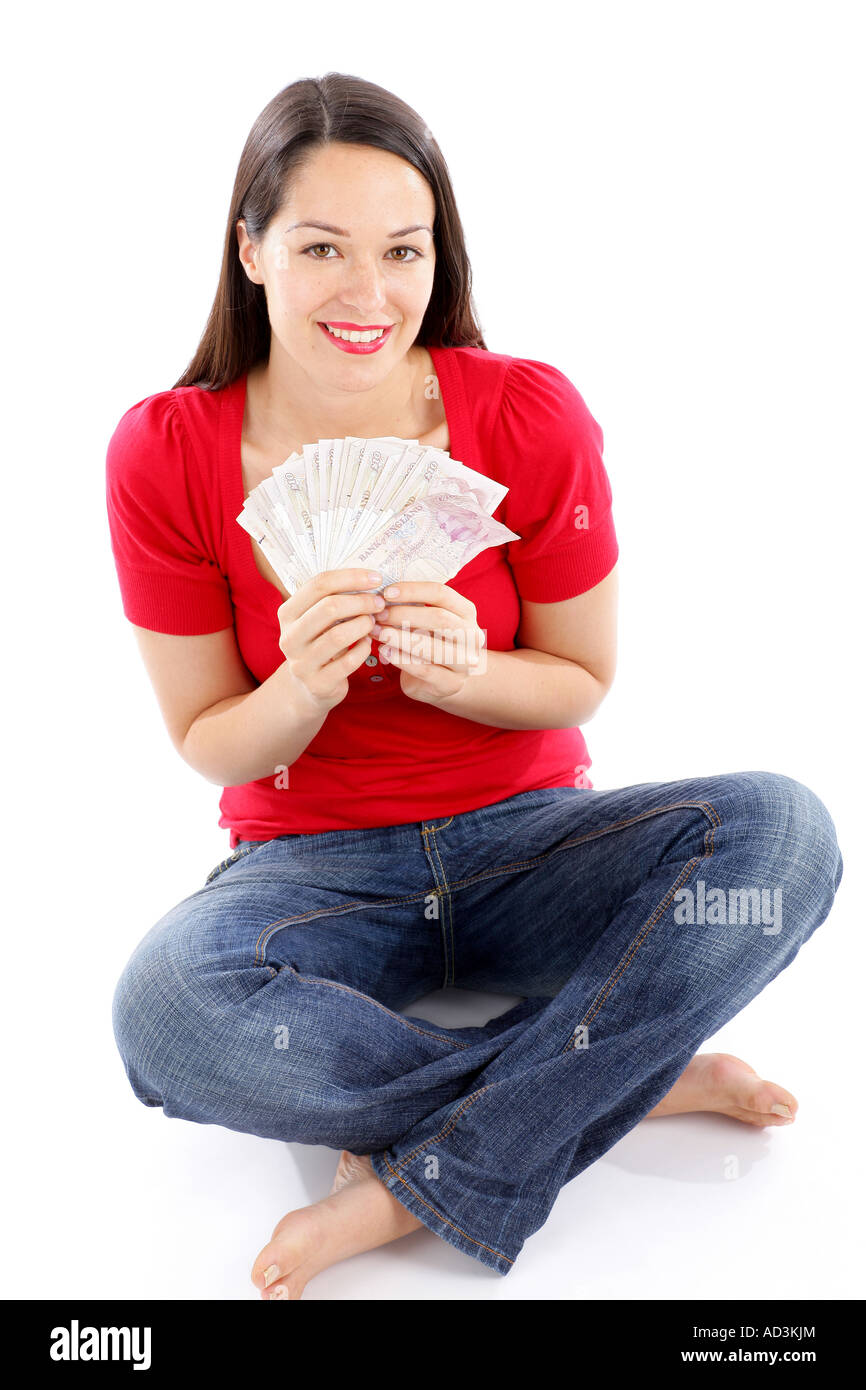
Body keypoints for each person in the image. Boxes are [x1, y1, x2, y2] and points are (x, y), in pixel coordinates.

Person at [106, 73, 844, 1301]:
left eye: (403, 250)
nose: (369, 293)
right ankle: (628, 1069)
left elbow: (579, 682)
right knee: (169, 1010)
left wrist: (469, 674)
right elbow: (209, 740)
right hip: (309, 871)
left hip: (531, 842)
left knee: (782, 835)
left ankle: (419, 1175)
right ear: (249, 249)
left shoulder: (529, 414)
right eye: (321, 246)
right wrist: (300, 682)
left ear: (437, 256)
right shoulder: (165, 450)